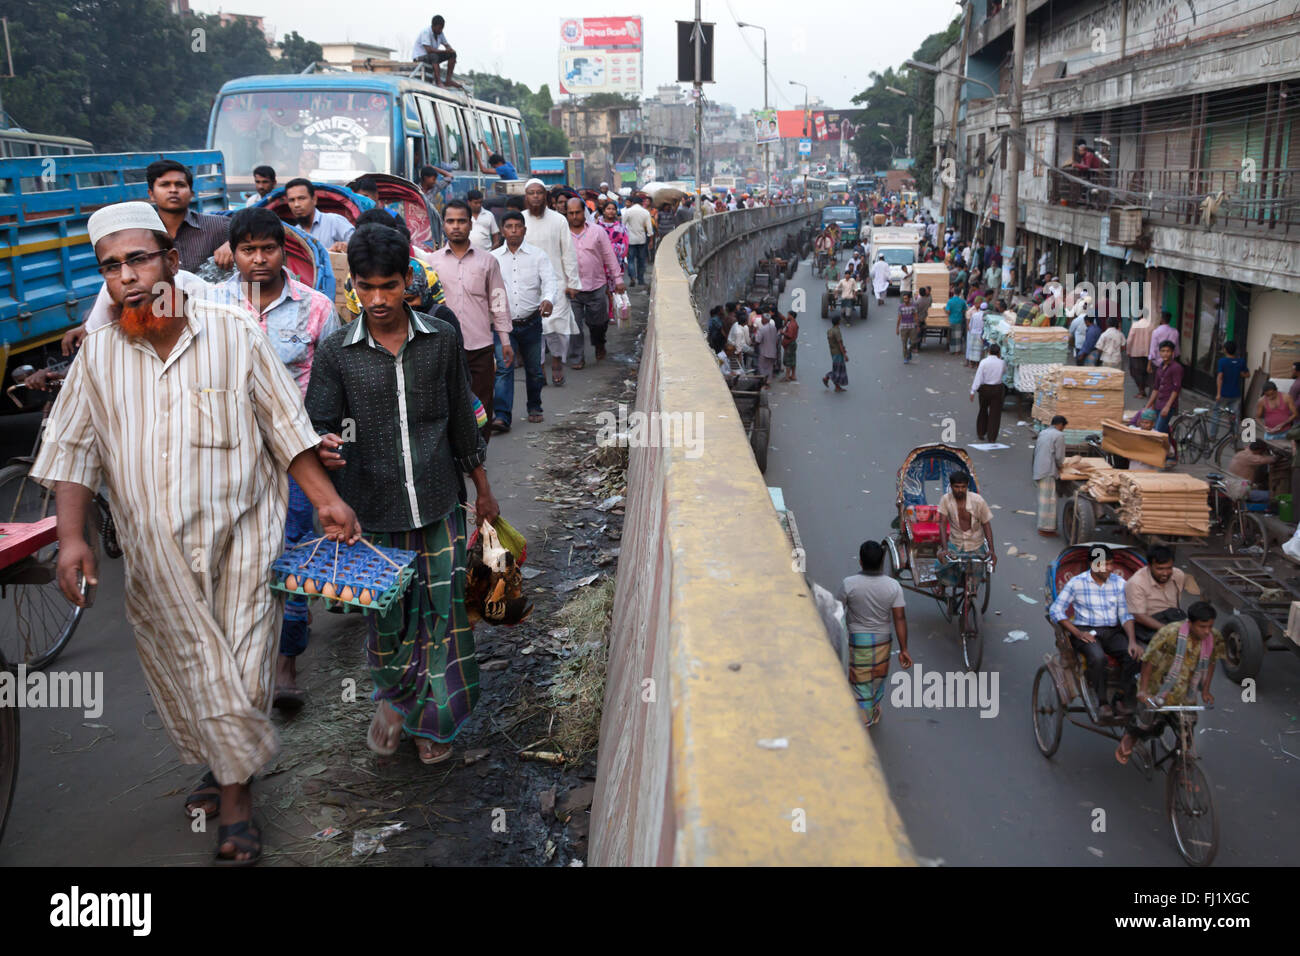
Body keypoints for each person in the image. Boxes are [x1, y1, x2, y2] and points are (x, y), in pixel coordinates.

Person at [32, 201, 361, 865]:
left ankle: (237, 801)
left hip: (243, 536)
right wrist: (72, 539)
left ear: (172, 262)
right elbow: (72, 451)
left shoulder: (234, 332)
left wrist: (326, 502)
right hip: (155, 560)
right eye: (111, 267)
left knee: (239, 670)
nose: (125, 277)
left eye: (138, 259)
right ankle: (224, 761)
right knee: (186, 675)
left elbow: (286, 429)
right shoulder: (98, 357)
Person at [308, 223, 499, 767]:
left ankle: (432, 726)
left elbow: (462, 422)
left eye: (387, 286)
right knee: (389, 623)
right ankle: (394, 698)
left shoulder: (440, 340)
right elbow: (323, 424)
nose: (376, 300)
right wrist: (327, 445)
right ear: (354, 290)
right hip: (373, 514)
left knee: (444, 618)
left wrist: (483, 490)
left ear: (408, 280)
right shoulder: (336, 354)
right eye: (365, 288)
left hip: (441, 503)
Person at [221, 207, 341, 709]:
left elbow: (336, 377)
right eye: (247, 250)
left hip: (296, 454)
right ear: (234, 254)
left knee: (293, 550)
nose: (258, 259)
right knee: (234, 553)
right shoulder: (211, 306)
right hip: (227, 452)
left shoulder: (315, 308)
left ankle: (286, 662)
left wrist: (333, 438)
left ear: (283, 250)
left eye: (267, 248)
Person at [430, 199, 512, 439]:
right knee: (445, 405)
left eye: (461, 221)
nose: (456, 226)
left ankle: (479, 455)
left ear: (471, 224)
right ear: (444, 225)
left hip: (480, 347)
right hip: (441, 347)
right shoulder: (430, 263)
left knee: (482, 406)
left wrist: (505, 340)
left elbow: (497, 302)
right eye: (451, 221)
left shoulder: (488, 261)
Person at [1115, 603, 1224, 764]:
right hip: (1157, 686)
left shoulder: (1213, 637)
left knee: (1187, 727)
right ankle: (1130, 738)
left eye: (1210, 626)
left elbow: (1212, 662)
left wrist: (1206, 690)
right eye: (1202, 626)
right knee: (1144, 722)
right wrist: (1143, 691)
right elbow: (1148, 660)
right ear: (1191, 623)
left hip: (1186, 689)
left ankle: (1183, 769)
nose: (1207, 631)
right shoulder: (1169, 633)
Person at [1049, 544, 1142, 716]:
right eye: (1103, 565)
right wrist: (1077, 633)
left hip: (1112, 632)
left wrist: (1132, 641)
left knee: (1134, 655)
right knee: (1098, 658)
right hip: (1085, 631)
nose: (1108, 568)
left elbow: (1126, 615)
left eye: (1110, 564)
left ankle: (1122, 696)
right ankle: (1102, 701)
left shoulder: (1119, 583)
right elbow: (1056, 610)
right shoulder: (1077, 583)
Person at [836, 540, 913, 727]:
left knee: (860, 681)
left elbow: (836, 612)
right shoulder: (893, 586)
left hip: (858, 642)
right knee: (878, 679)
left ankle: (865, 718)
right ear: (881, 562)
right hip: (883, 643)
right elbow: (900, 619)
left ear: (860, 562)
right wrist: (904, 649)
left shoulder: (849, 584)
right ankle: (874, 709)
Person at [491, 210, 557, 429]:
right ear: (502, 230)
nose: (513, 231)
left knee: (534, 369)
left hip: (531, 322)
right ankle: (502, 416)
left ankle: (534, 405)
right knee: (504, 369)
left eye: (517, 226)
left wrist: (547, 299)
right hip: (503, 324)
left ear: (524, 230)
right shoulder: (493, 259)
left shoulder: (538, 256)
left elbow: (549, 281)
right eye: (508, 227)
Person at [521, 180, 581, 383]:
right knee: (535, 329)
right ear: (526, 196)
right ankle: (539, 368)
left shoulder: (559, 221)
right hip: (527, 284)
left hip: (556, 283)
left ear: (546, 196)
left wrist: (572, 282)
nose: (536, 196)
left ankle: (556, 360)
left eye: (539, 192)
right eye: (532, 193)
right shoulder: (519, 221)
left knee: (557, 327)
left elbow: (569, 253)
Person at [565, 196, 624, 365]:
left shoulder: (597, 231)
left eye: (577, 213)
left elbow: (608, 255)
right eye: (571, 213)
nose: (574, 216)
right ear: (566, 214)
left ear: (584, 213)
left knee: (598, 323)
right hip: (573, 288)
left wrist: (618, 279)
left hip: (597, 285)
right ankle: (577, 357)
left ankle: (599, 344)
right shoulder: (561, 233)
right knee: (574, 325)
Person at [145, 159, 232, 270]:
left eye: (180, 185)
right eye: (165, 185)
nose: (173, 190)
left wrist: (234, 244)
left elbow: (257, 231)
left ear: (191, 194)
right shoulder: (142, 233)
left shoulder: (218, 226)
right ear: (151, 194)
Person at [936, 471, 997, 589]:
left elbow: (986, 525)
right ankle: (944, 585)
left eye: (963, 487)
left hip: (976, 545)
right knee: (940, 566)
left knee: (975, 580)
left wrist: (991, 550)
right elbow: (942, 524)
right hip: (956, 543)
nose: (960, 490)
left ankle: (971, 593)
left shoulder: (978, 501)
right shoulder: (945, 500)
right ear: (951, 486)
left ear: (967, 486)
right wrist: (945, 549)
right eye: (957, 487)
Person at [1125, 545, 1187, 645]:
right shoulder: (1136, 583)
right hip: (1148, 624)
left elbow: (1176, 605)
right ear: (1149, 566)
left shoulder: (1178, 575)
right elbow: (1139, 616)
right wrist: (1167, 629)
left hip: (1173, 617)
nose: (1165, 573)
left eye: (1169, 568)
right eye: (1160, 569)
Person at [284, 178, 354, 252]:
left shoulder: (334, 221)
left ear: (314, 200)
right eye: (292, 200)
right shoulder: (293, 233)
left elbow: (360, 244)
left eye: (301, 198)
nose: (296, 205)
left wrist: (345, 246)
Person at [1032, 414, 1068, 536]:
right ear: (1060, 425)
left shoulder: (1043, 432)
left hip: (1039, 467)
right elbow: (1059, 457)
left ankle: (1045, 526)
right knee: (1049, 500)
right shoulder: (1059, 435)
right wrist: (1061, 466)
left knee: (1043, 498)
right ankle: (1045, 528)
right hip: (1048, 469)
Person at [412, 14, 460, 88]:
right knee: (434, 56)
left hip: (431, 57)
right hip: (419, 57)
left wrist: (451, 51)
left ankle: (448, 80)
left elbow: (447, 45)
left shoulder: (440, 33)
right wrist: (445, 51)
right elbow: (429, 50)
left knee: (452, 54)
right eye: (439, 28)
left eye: (442, 28)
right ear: (433, 26)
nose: (441, 30)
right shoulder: (426, 32)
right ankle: (438, 82)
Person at [1146, 339, 1182, 434]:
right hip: (1158, 404)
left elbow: (1176, 389)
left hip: (1168, 404)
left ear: (1172, 353)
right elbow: (1156, 389)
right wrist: (1148, 406)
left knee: (1157, 431)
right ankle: (1171, 444)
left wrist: (1167, 407)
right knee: (1160, 429)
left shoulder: (1176, 368)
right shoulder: (1160, 368)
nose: (1165, 354)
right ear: (1159, 352)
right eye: (1163, 351)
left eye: (1168, 351)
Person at [621, 196, 653, 287]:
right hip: (641, 239)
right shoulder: (645, 212)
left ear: (633, 203)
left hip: (630, 240)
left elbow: (622, 226)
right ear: (641, 203)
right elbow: (649, 229)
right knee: (641, 261)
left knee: (630, 260)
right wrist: (650, 240)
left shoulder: (628, 211)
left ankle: (632, 278)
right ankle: (641, 280)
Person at [1126, 312, 1154, 397]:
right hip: (1147, 352)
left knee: (1136, 372)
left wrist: (1128, 351)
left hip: (1135, 352)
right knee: (1145, 372)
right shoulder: (1151, 325)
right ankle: (1143, 389)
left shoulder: (1135, 325)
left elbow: (1130, 339)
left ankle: (1141, 390)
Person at [753, 310, 780, 386]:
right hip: (773, 351)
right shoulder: (774, 328)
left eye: (762, 318)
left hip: (764, 352)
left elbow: (757, 341)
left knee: (762, 368)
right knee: (769, 368)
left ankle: (764, 383)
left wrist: (754, 345)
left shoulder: (762, 329)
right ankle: (768, 381)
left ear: (765, 319)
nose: (761, 320)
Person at [823, 314, 848, 392]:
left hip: (833, 352)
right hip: (838, 353)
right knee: (838, 370)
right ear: (838, 322)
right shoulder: (837, 331)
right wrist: (844, 354)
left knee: (837, 369)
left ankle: (837, 386)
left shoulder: (830, 331)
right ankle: (827, 378)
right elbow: (839, 343)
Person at [896, 290, 918, 364]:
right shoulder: (900, 307)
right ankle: (906, 357)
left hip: (912, 327)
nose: (905, 300)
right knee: (904, 343)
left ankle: (909, 352)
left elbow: (915, 316)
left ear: (909, 299)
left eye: (906, 298)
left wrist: (917, 325)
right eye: (904, 298)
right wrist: (897, 328)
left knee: (913, 342)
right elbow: (899, 318)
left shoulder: (913, 306)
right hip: (903, 327)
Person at [945, 287, 967, 355]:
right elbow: (964, 310)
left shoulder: (950, 301)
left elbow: (948, 311)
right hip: (959, 320)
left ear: (954, 292)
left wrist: (944, 310)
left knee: (951, 336)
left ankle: (952, 350)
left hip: (951, 320)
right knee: (958, 336)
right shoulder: (962, 301)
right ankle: (957, 351)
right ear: (960, 293)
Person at [965, 300, 987, 367]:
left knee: (972, 348)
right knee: (978, 349)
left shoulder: (974, 315)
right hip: (980, 334)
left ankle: (971, 364)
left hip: (973, 333)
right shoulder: (985, 316)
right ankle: (977, 364)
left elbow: (970, 325)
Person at [780, 310, 799, 382]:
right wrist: (786, 322)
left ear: (791, 316)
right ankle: (793, 375)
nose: (787, 317)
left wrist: (783, 333)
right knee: (793, 360)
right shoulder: (793, 323)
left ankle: (787, 376)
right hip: (792, 344)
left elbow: (790, 335)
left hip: (789, 344)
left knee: (788, 361)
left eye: (788, 315)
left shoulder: (791, 325)